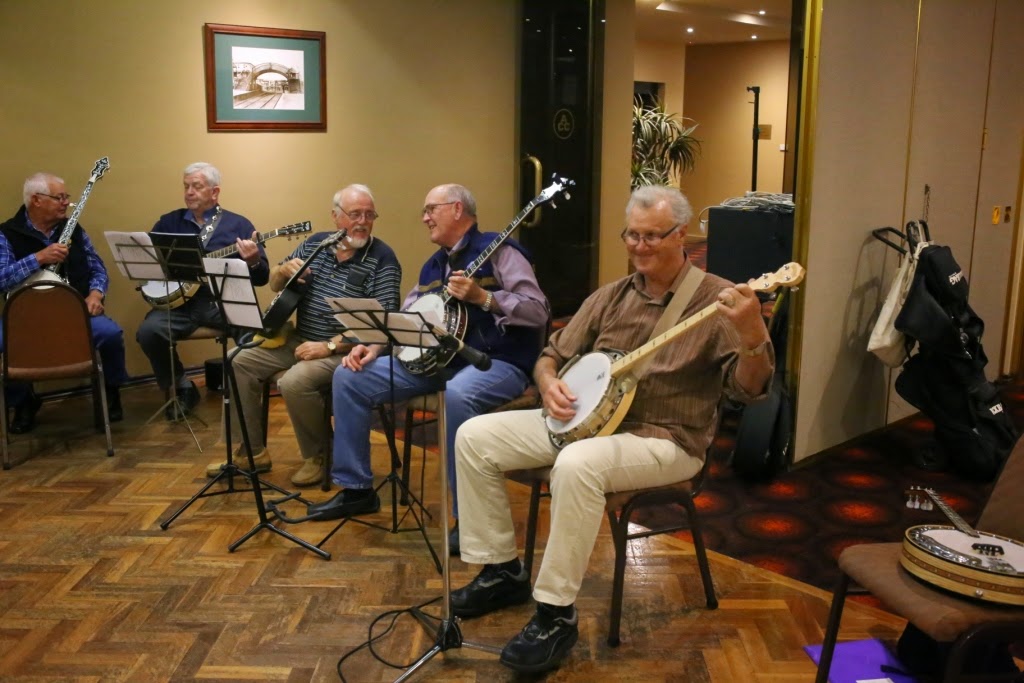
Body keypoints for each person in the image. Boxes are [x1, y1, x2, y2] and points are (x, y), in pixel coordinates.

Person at [449, 185, 775, 673]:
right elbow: (552, 353)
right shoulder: (611, 296)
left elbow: (750, 392)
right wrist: (549, 382)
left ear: (681, 235)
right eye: (632, 236)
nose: (639, 247)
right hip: (589, 422)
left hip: (666, 438)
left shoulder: (717, 301)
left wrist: (752, 335)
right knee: (475, 436)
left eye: (652, 237)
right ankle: (501, 571)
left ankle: (555, 614)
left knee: (577, 465)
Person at [307, 184, 550, 549]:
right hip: (439, 360)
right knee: (348, 376)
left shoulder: (502, 253)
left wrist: (485, 298)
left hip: (497, 362)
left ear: (456, 209)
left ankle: (467, 517)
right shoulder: (433, 265)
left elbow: (538, 310)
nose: (424, 218)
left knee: (455, 396)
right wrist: (373, 346)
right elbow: (407, 318)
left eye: (430, 209)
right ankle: (356, 488)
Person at [207, 184, 402, 487]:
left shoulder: (383, 258)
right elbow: (273, 284)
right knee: (237, 361)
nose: (362, 221)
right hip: (300, 337)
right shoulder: (316, 244)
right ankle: (251, 452)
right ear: (336, 217)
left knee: (295, 381)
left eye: (369, 214)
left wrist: (328, 346)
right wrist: (283, 270)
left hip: (348, 348)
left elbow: (383, 326)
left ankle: (320, 455)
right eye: (354, 214)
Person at [136, 162, 269, 421]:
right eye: (186, 186)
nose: (189, 192)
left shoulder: (238, 225)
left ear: (215, 192)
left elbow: (262, 277)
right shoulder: (168, 222)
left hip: (221, 301)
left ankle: (246, 390)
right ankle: (183, 386)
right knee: (148, 332)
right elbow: (152, 263)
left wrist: (253, 261)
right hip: (180, 305)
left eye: (196, 186)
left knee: (253, 330)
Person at [0, 171, 129, 433]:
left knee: (111, 334)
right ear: (36, 200)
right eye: (59, 197)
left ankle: (110, 391)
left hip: (75, 315)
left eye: (66, 198)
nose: (65, 203)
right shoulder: (6, 234)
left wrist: (95, 294)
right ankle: (23, 401)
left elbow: (97, 268)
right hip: (25, 319)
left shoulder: (74, 231)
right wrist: (38, 258)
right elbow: (1, 279)